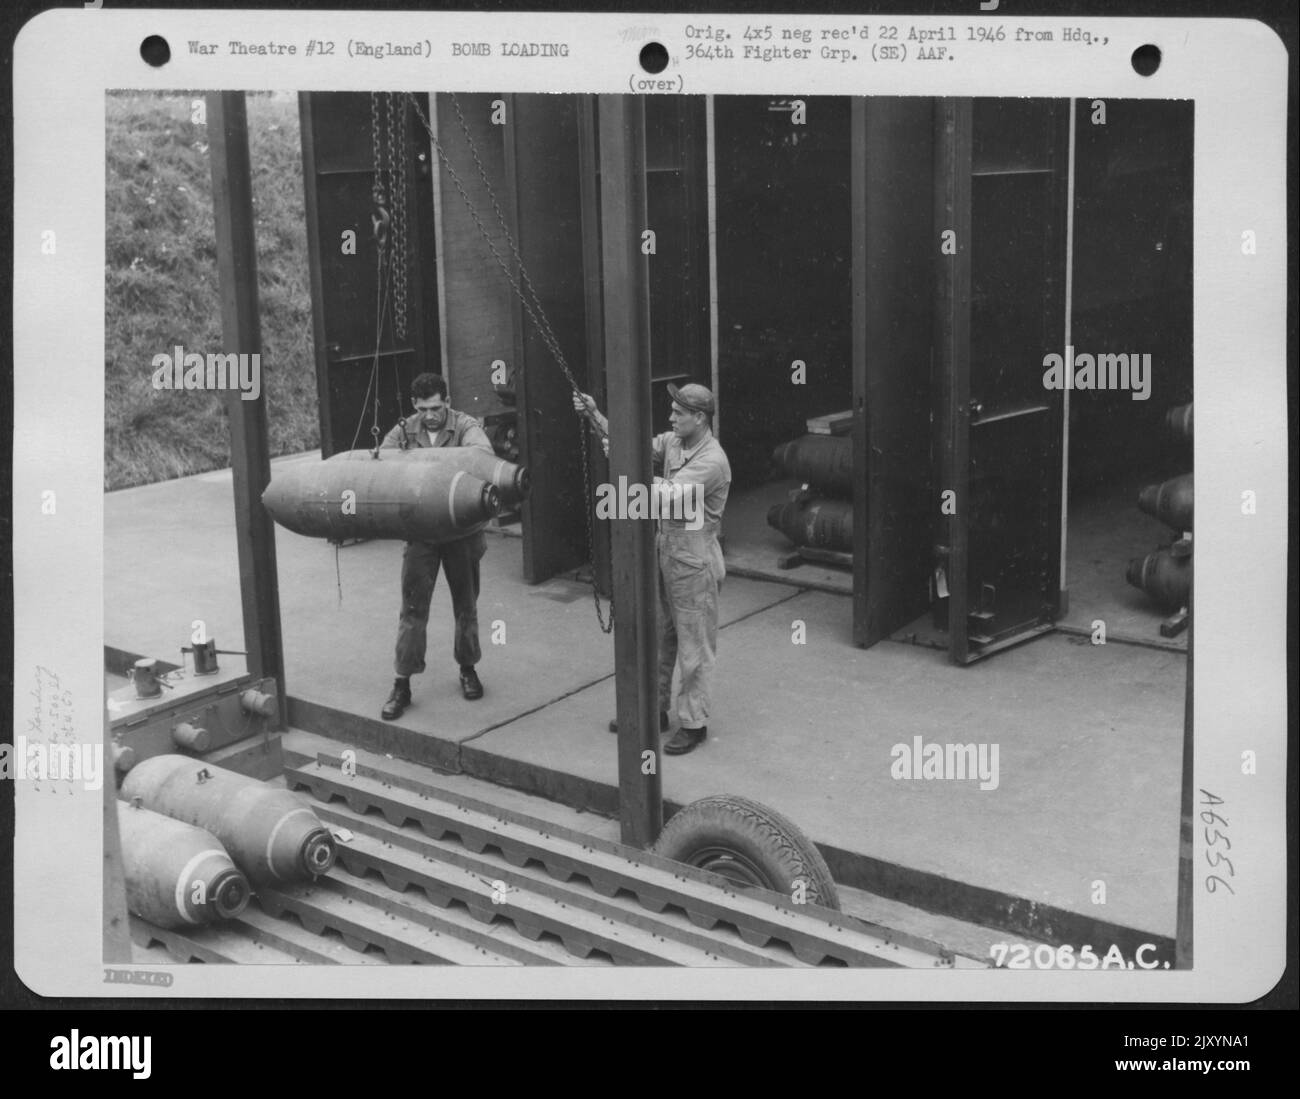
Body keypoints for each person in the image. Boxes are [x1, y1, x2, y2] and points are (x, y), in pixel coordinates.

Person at [572, 383, 731, 755]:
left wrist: (627, 466)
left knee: (694, 646)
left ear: (700, 418)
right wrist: (595, 415)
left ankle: (693, 723)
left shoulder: (712, 461)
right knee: (661, 637)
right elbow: (633, 442)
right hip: (667, 554)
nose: (671, 417)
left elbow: (665, 495)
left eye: (679, 412)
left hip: (694, 562)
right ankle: (655, 710)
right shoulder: (675, 442)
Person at [380, 373, 495, 719]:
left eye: (436, 407)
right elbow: (382, 461)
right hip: (422, 536)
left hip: (461, 533)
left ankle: (468, 668)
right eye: (423, 409)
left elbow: (482, 454)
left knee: (466, 606)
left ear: (447, 400)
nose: (430, 415)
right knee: (412, 612)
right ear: (414, 406)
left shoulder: (465, 425)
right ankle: (402, 683)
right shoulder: (404, 430)